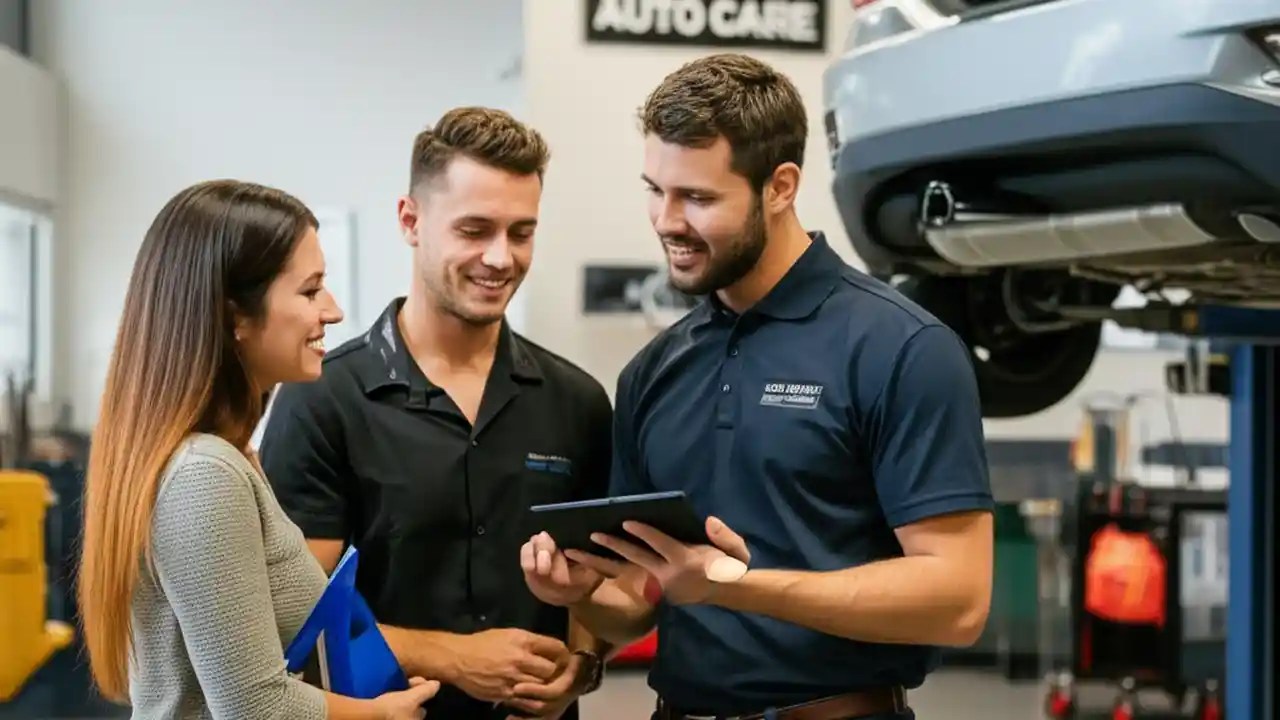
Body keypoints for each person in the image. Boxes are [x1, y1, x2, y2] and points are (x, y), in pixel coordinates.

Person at [521, 53, 996, 720]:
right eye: (656, 190)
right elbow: (634, 607)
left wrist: (736, 588)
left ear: (780, 186)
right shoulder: (654, 371)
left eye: (698, 197)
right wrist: (579, 595)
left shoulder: (902, 349)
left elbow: (959, 602)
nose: (666, 220)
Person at [257, 107, 613, 720]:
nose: (501, 258)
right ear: (411, 221)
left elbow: (607, 590)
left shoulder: (577, 402)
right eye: (475, 230)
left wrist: (583, 667)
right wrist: (453, 657)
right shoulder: (324, 399)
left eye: (521, 233)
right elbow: (294, 623)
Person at [76, 179, 441, 719]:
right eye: (310, 290)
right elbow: (253, 708)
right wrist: (382, 715)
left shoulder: (220, 458)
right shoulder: (204, 475)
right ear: (234, 318)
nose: (334, 311)